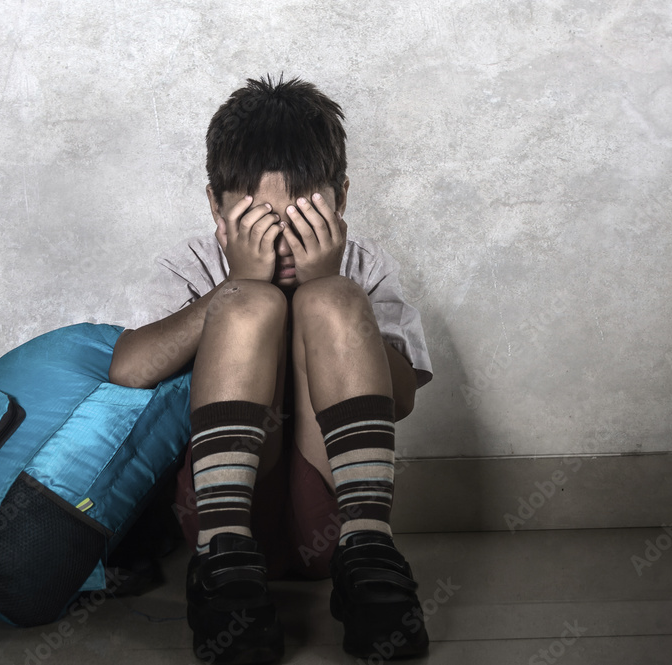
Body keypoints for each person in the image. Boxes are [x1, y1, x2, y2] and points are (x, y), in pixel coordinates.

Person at [108, 74, 434, 664]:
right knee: (247, 303)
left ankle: (371, 559)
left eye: (305, 217)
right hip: (226, 511)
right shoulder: (194, 264)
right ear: (216, 204)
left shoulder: (360, 265)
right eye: (258, 219)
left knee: (332, 300)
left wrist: (327, 281)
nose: (282, 241)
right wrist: (235, 285)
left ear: (340, 199)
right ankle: (223, 564)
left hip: (334, 519)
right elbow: (130, 369)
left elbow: (403, 397)